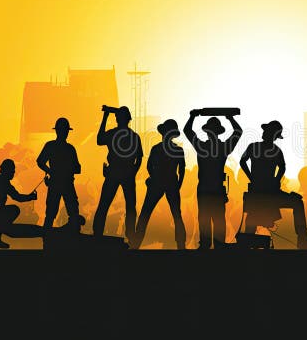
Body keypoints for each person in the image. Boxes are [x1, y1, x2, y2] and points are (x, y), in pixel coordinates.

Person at [239, 120, 307, 249]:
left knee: (253, 218)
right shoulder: (274, 150)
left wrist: (255, 178)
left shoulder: (255, 147)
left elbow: (242, 161)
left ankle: (302, 238)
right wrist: (275, 179)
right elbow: (282, 167)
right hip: (269, 193)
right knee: (297, 203)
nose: (264, 133)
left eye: (267, 131)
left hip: (261, 192)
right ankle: (302, 238)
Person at [184, 109, 242, 249]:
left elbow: (187, 131)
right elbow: (238, 132)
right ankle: (219, 245)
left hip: (204, 188)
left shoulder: (202, 147)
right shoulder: (223, 147)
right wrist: (230, 118)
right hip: (216, 189)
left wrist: (192, 116)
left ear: (208, 132)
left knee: (204, 218)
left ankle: (205, 244)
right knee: (218, 219)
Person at [132, 119, 186, 249]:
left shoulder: (156, 149)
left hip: (159, 183)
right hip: (169, 183)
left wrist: (154, 178)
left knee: (146, 213)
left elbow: (149, 166)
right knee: (176, 214)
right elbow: (182, 169)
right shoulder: (176, 150)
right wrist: (178, 184)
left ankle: (135, 244)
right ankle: (181, 245)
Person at [92, 106, 143, 240]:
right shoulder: (134, 136)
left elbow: (99, 139)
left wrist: (105, 116)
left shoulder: (113, 134)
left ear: (117, 119)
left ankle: (97, 234)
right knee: (130, 207)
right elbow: (139, 158)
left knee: (104, 205)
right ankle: (130, 234)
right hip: (126, 174)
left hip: (114, 173)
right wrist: (133, 172)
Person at [0, 159, 38, 248]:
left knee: (11, 210)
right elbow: (17, 197)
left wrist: (29, 197)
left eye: (14, 170)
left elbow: (17, 196)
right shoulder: (2, 181)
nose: (13, 172)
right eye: (12, 170)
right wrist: (30, 197)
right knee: (14, 210)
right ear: (6, 170)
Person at [36, 117, 82, 231]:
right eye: (64, 130)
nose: (65, 133)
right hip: (65, 184)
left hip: (57, 183)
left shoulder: (51, 146)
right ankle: (72, 237)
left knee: (52, 213)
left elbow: (40, 161)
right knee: (71, 212)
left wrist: (50, 171)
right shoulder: (69, 149)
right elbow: (77, 168)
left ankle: (47, 238)